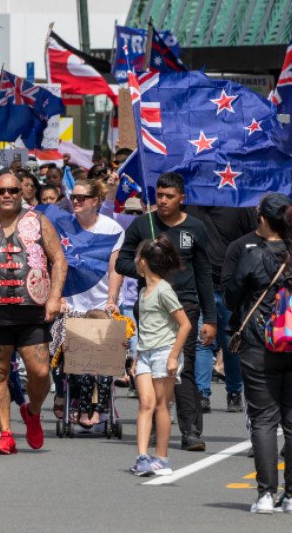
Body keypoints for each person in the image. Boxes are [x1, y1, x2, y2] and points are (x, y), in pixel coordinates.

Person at [0, 173, 68, 455]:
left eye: (12, 190)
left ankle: (32, 411)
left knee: (40, 371)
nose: (6, 195)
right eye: (0, 191)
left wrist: (54, 296)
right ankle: (6, 433)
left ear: (21, 193)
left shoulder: (39, 221)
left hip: (31, 309)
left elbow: (58, 261)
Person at [224, 193, 292, 515]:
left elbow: (232, 296)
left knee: (263, 420)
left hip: (259, 343)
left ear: (264, 219)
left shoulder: (252, 255)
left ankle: (266, 494)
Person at [117, 173, 217, 452]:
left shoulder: (195, 228)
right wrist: (147, 268)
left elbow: (204, 273)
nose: (162, 201)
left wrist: (210, 318)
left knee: (181, 365)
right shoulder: (142, 224)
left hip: (184, 305)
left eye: (169, 196)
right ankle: (153, 424)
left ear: (181, 198)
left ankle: (191, 431)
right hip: (150, 305)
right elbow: (121, 262)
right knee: (151, 365)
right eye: (159, 195)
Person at [53, 179, 125, 426]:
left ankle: (97, 408)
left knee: (101, 359)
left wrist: (111, 300)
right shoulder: (62, 226)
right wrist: (59, 297)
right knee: (62, 354)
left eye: (81, 198)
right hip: (71, 303)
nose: (75, 201)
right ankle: (64, 394)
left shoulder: (111, 228)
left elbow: (116, 268)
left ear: (95, 201)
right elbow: (57, 264)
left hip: (101, 303)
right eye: (73, 196)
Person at [184, 205, 257, 414]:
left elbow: (253, 240)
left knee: (231, 343)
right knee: (202, 341)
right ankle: (202, 393)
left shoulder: (240, 206)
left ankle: (234, 390)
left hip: (231, 288)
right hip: (198, 286)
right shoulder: (191, 207)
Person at [130, 236, 192, 476]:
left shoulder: (164, 290)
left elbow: (184, 324)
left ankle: (161, 457)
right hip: (145, 353)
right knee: (145, 403)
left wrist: (173, 356)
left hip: (165, 351)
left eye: (137, 258)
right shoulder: (144, 291)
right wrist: (136, 358)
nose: (135, 261)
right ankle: (142, 456)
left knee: (160, 405)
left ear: (144, 262)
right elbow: (144, 327)